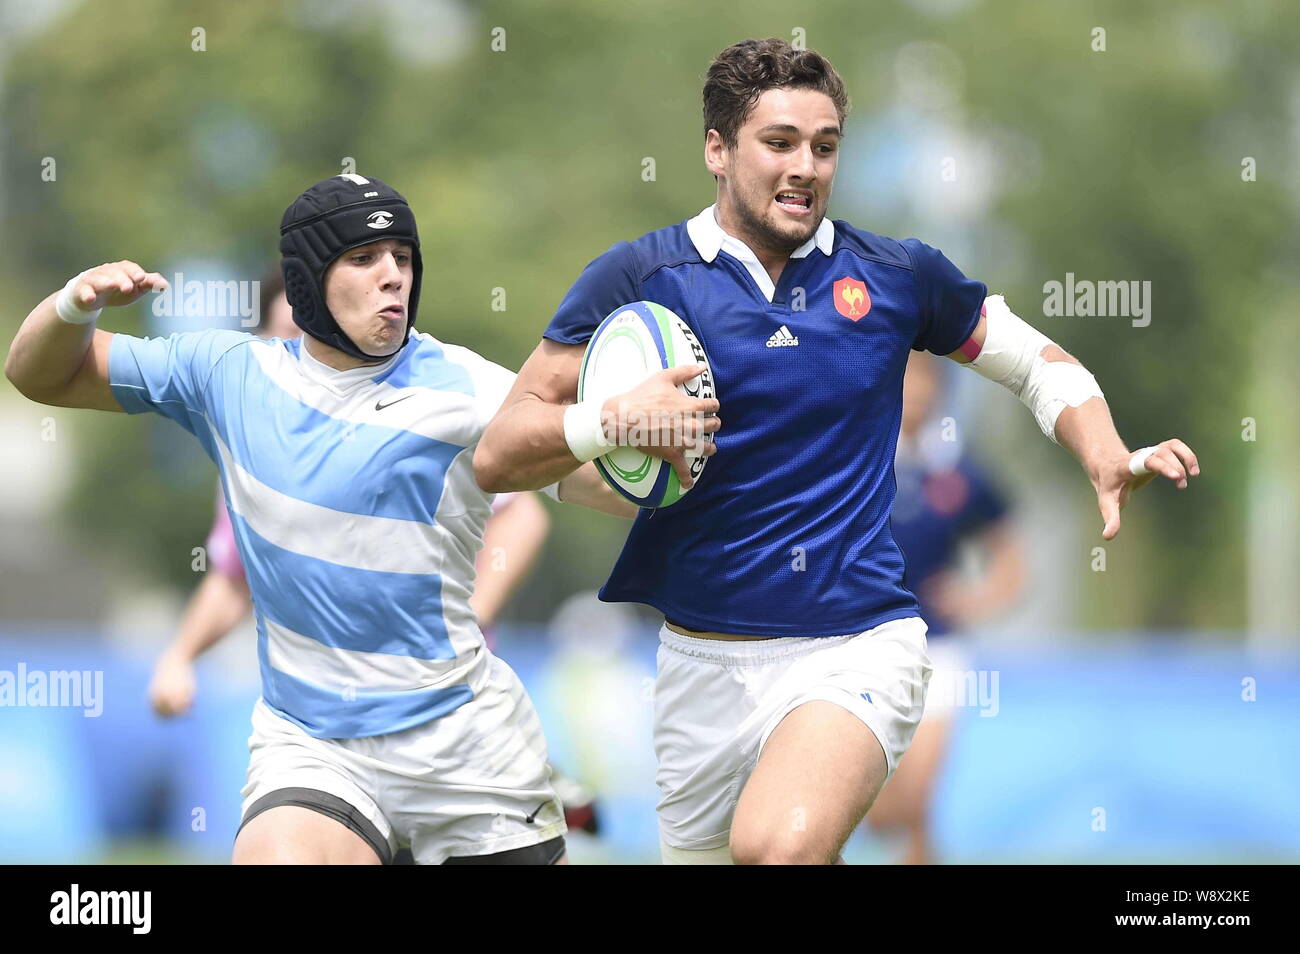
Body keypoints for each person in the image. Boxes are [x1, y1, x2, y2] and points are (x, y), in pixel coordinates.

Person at [473, 38, 1200, 865]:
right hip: (695, 667)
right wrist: (610, 421)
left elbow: (1035, 362)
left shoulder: (896, 276)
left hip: (856, 644)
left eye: (825, 147)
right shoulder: (640, 279)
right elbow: (501, 449)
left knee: (777, 849)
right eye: (778, 142)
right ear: (716, 148)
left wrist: (1102, 449)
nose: (806, 167)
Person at [6, 173, 632, 865]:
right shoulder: (228, 375)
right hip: (313, 746)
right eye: (364, 259)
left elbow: (604, 484)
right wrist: (72, 306)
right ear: (307, 280)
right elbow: (40, 375)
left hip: (465, 748)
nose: (393, 275)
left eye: (403, 256)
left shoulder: (470, 389)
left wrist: (645, 441)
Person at [864, 350, 1026, 864]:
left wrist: (980, 598)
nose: (915, 387)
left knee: (918, 795)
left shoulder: (958, 469)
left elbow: (1010, 558)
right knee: (884, 812)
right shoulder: (858, 459)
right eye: (903, 375)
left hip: (941, 652)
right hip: (862, 647)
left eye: (923, 375)